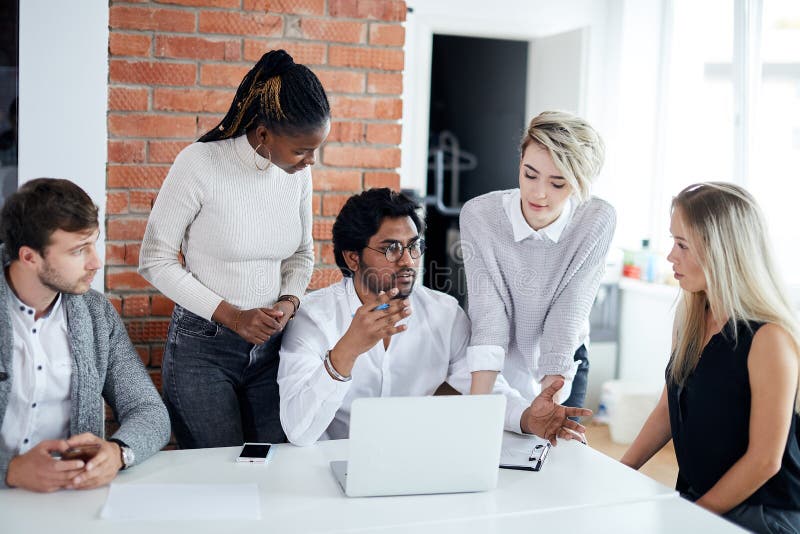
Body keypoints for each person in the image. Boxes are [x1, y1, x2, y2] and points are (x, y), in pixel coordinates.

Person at [277, 188, 590, 446]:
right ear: (352, 257)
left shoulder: (445, 314)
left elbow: (483, 387)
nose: (408, 261)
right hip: (331, 469)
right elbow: (299, 431)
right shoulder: (314, 319)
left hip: (419, 466)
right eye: (391, 250)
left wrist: (527, 417)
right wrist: (347, 350)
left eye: (414, 247)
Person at [139, 49, 330, 449]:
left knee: (275, 468)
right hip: (203, 350)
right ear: (263, 134)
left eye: (316, 150)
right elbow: (155, 259)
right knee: (218, 478)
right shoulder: (199, 163)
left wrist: (289, 304)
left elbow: (301, 255)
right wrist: (233, 316)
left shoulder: (295, 174)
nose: (311, 161)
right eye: (302, 150)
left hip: (273, 347)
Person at [620, 183, 800, 533]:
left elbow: (765, 461)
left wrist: (693, 517)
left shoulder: (769, 339)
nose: (671, 255)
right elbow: (667, 411)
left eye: (682, 245)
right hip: (700, 500)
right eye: (673, 241)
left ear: (722, 250)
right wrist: (619, 471)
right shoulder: (689, 318)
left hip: (765, 513)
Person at [0, 178, 170, 492]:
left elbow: (149, 410)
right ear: (29, 257)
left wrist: (118, 452)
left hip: (74, 501)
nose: (96, 262)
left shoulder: (95, 313)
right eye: (79, 250)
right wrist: (11, 471)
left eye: (94, 243)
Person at [461, 110, 616, 415]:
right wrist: (475, 412)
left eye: (558, 183)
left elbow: (569, 311)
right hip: (500, 361)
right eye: (530, 174)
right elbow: (488, 313)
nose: (539, 193)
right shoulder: (480, 215)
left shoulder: (596, 219)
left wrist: (548, 405)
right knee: (486, 442)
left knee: (554, 456)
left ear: (580, 184)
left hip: (564, 358)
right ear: (520, 160)